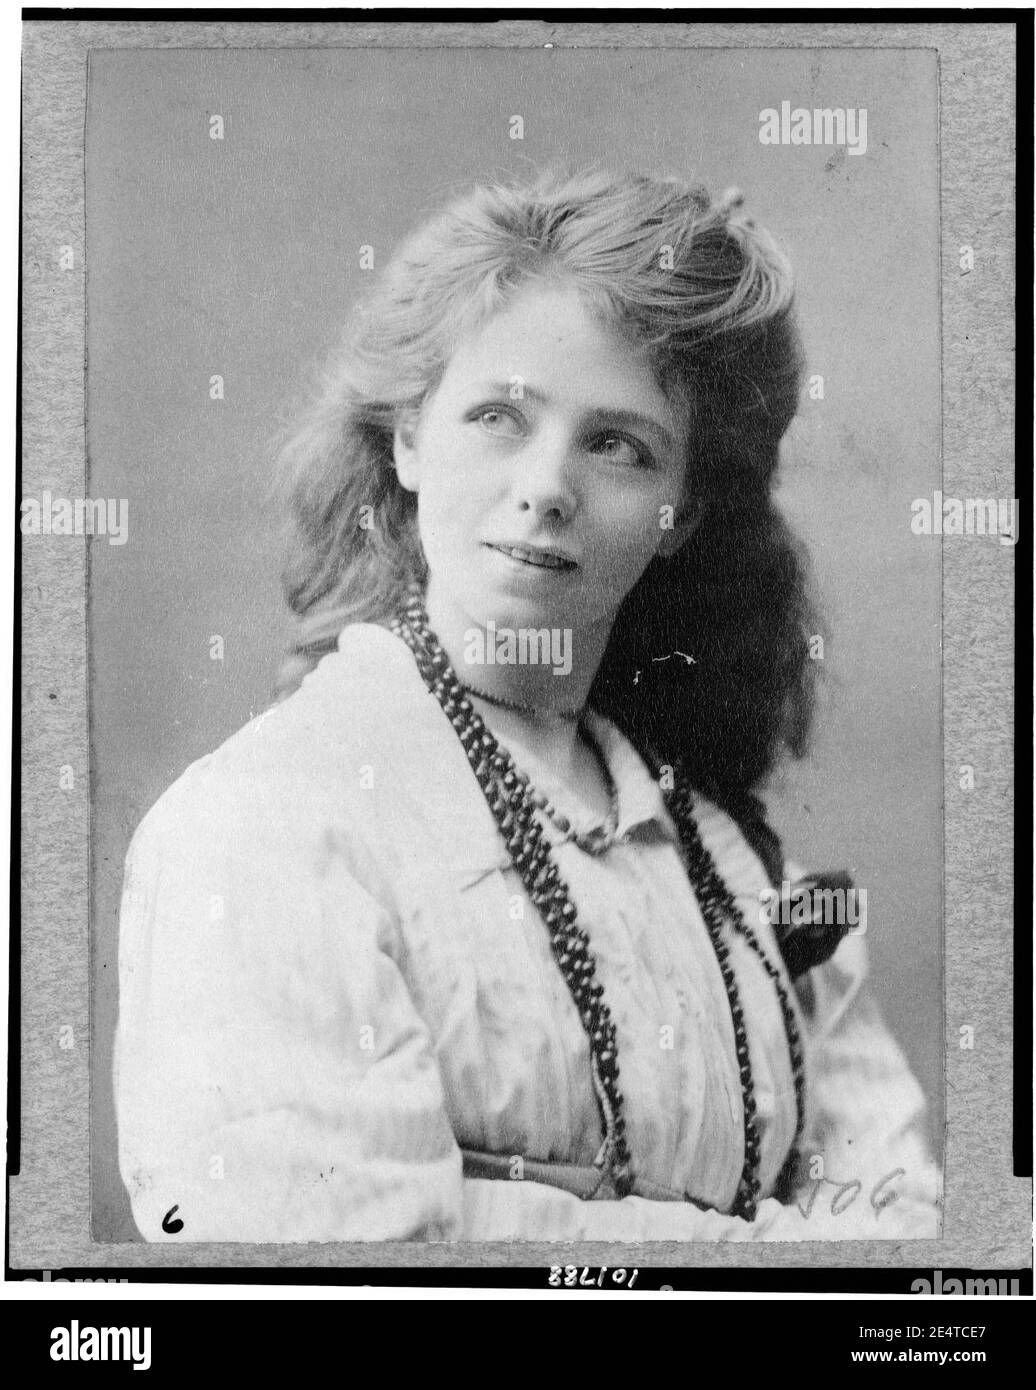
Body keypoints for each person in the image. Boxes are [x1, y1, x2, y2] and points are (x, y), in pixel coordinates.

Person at [114, 168, 941, 1242]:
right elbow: (349, 1259)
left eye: (618, 444)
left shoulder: (735, 861)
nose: (547, 484)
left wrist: (504, 1212)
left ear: (677, 513)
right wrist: (755, 1246)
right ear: (408, 439)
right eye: (500, 415)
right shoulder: (268, 819)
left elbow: (896, 1237)